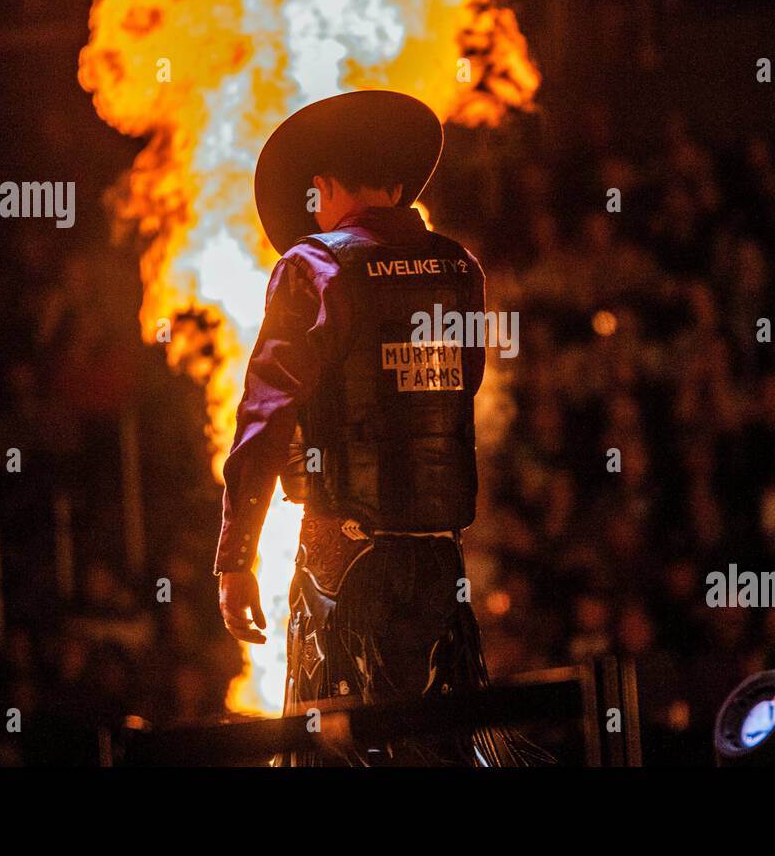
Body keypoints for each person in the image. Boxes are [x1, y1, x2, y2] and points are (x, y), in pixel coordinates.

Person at [215, 90, 547, 765]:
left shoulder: (312, 268)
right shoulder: (459, 268)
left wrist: (235, 558)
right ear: (398, 185)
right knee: (437, 744)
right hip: (437, 560)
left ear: (329, 185)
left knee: (337, 747)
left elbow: (264, 416)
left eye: (314, 191)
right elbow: (464, 385)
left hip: (344, 561)